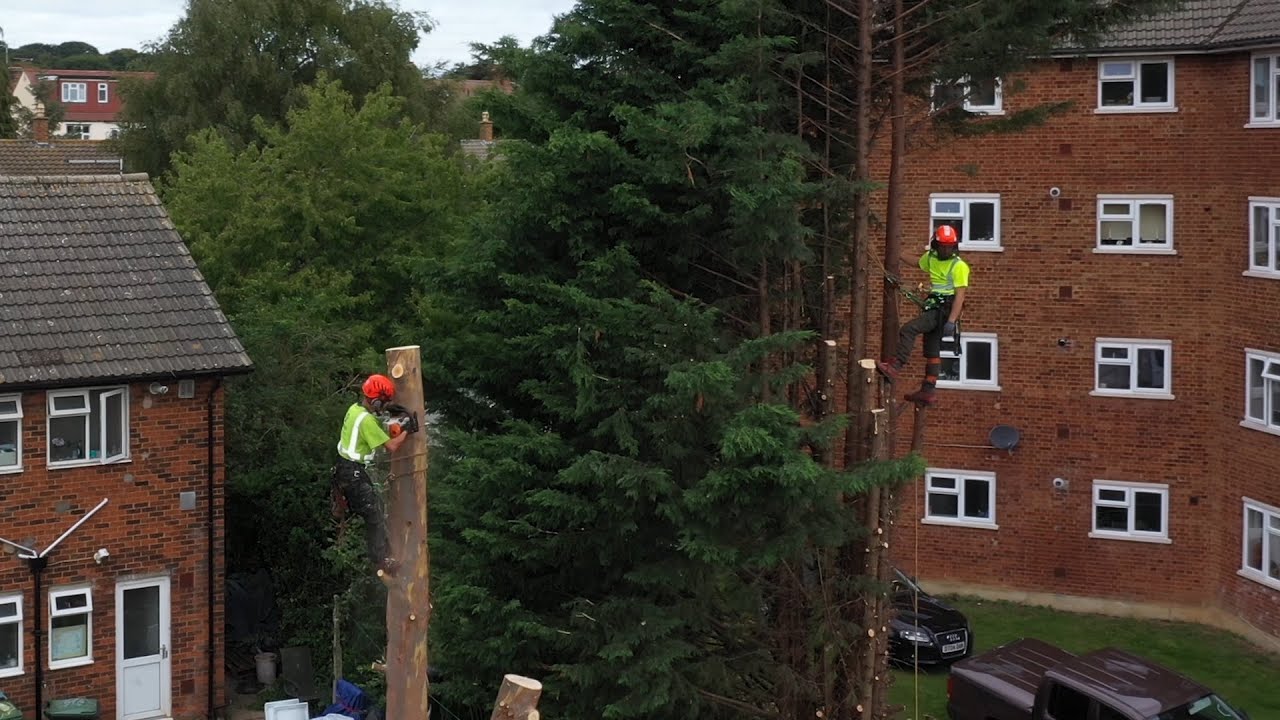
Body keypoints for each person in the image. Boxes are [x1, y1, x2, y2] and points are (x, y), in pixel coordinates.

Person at [877, 224, 970, 406]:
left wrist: (951, 321)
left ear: (954, 246)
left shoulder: (959, 266)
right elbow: (905, 257)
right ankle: (928, 389)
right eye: (942, 246)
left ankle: (895, 366)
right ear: (936, 245)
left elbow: (960, 295)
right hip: (934, 307)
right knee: (932, 349)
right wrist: (920, 248)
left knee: (909, 329)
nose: (945, 249)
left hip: (943, 310)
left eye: (949, 246)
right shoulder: (931, 258)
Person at [333, 373, 414, 568]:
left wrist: (389, 415)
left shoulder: (354, 410)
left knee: (376, 507)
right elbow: (392, 446)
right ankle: (381, 560)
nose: (384, 407)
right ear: (376, 401)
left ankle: (384, 554)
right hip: (352, 473)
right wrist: (407, 430)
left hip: (346, 469)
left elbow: (376, 428)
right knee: (374, 514)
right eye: (383, 403)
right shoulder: (366, 421)